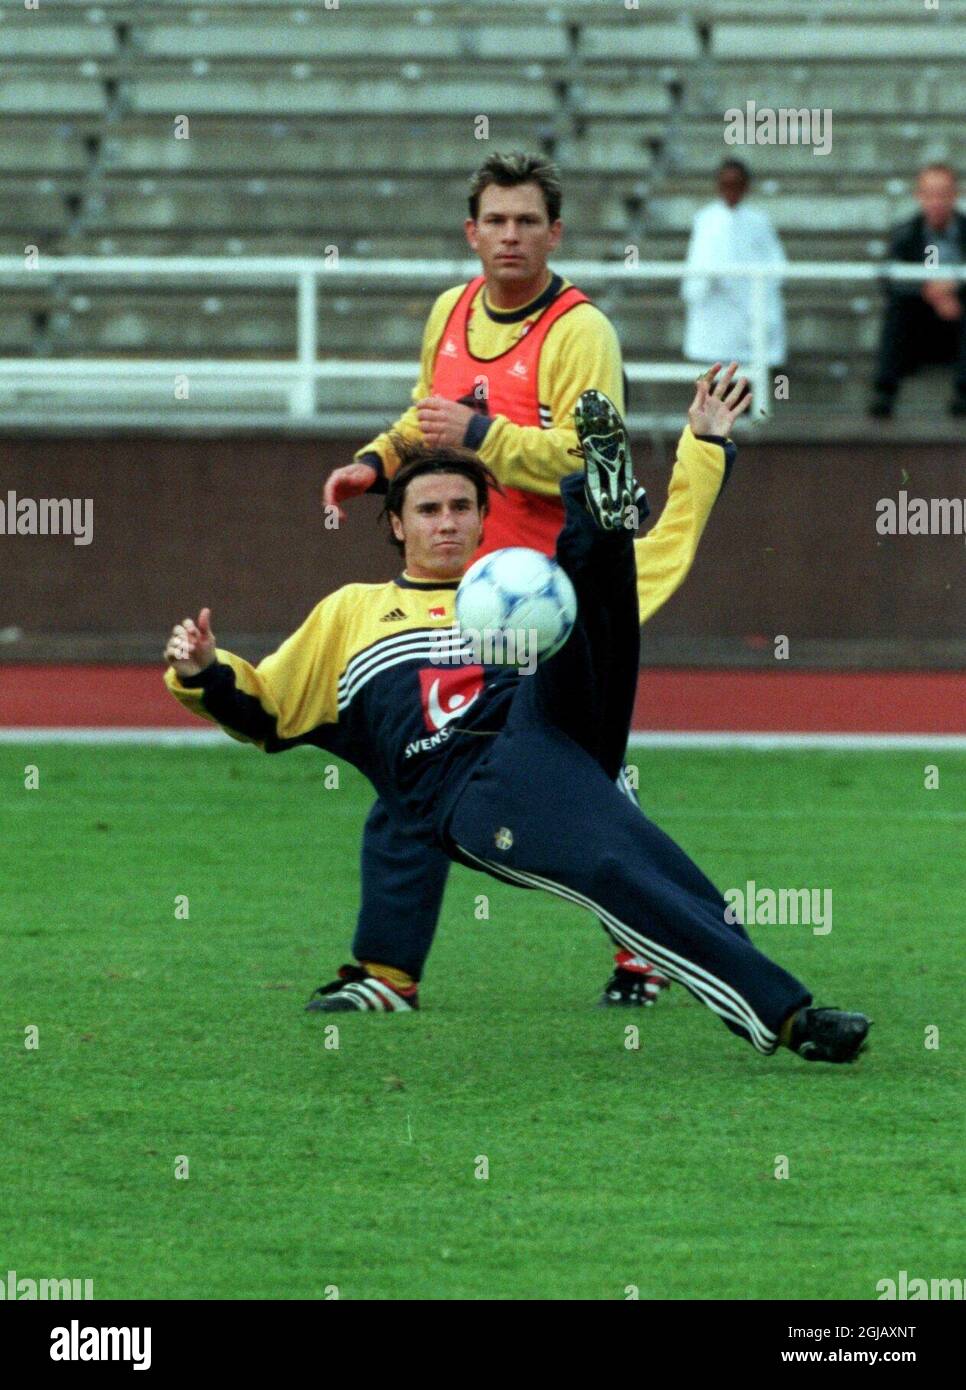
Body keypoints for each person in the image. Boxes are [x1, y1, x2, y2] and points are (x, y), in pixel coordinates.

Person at [164, 372, 870, 1064]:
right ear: (395, 523)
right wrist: (202, 672)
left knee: (598, 583)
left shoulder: (518, 586)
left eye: (462, 507)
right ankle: (789, 1015)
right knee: (626, 865)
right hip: (466, 785)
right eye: (429, 509)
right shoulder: (350, 613)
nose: (447, 522)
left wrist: (703, 447)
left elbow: (659, 557)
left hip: (554, 725)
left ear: (480, 518)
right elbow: (266, 712)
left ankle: (597, 505)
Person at [318, 152, 733, 1010]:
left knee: (578, 779)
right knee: (421, 759)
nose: (511, 236)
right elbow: (423, 414)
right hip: (464, 599)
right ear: (472, 232)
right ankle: (389, 973)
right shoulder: (451, 310)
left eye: (528, 221)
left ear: (556, 232)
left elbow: (595, 465)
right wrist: (376, 461)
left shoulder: (582, 330)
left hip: (553, 601)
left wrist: (482, 434)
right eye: (496, 221)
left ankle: (663, 946)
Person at [869, 163, 966, 420]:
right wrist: (931, 291)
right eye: (930, 193)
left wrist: (954, 286)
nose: (937, 201)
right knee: (898, 310)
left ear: (955, 194)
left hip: (959, 318)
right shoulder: (905, 234)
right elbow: (889, 280)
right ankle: (884, 393)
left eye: (943, 193)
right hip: (919, 323)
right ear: (919, 196)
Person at [681, 159, 786, 373]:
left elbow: (777, 267)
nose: (731, 191)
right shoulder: (706, 220)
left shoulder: (759, 221)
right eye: (725, 185)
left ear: (746, 186)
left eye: (736, 184)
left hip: (749, 318)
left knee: (747, 392)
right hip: (715, 318)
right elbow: (696, 273)